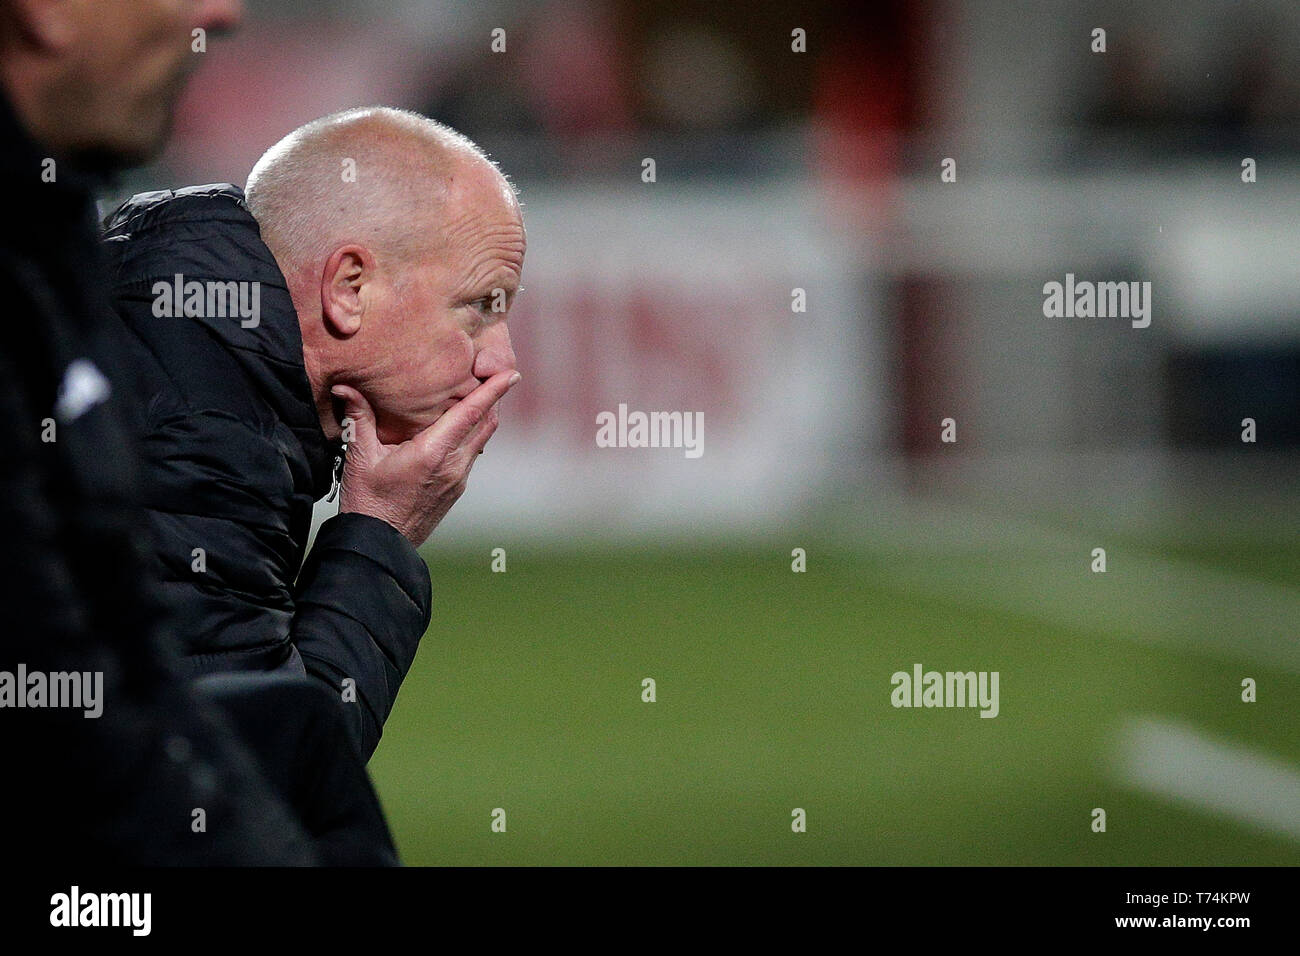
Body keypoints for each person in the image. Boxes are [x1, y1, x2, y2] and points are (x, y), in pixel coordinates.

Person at [0, 0, 394, 864]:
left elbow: (141, 696)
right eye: (480, 305)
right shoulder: (205, 402)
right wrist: (376, 542)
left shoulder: (52, 236)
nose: (221, 11)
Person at [103, 107, 524, 760]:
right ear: (348, 288)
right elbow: (249, 790)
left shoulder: (198, 353)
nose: (503, 363)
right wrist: (380, 531)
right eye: (480, 306)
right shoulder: (200, 430)